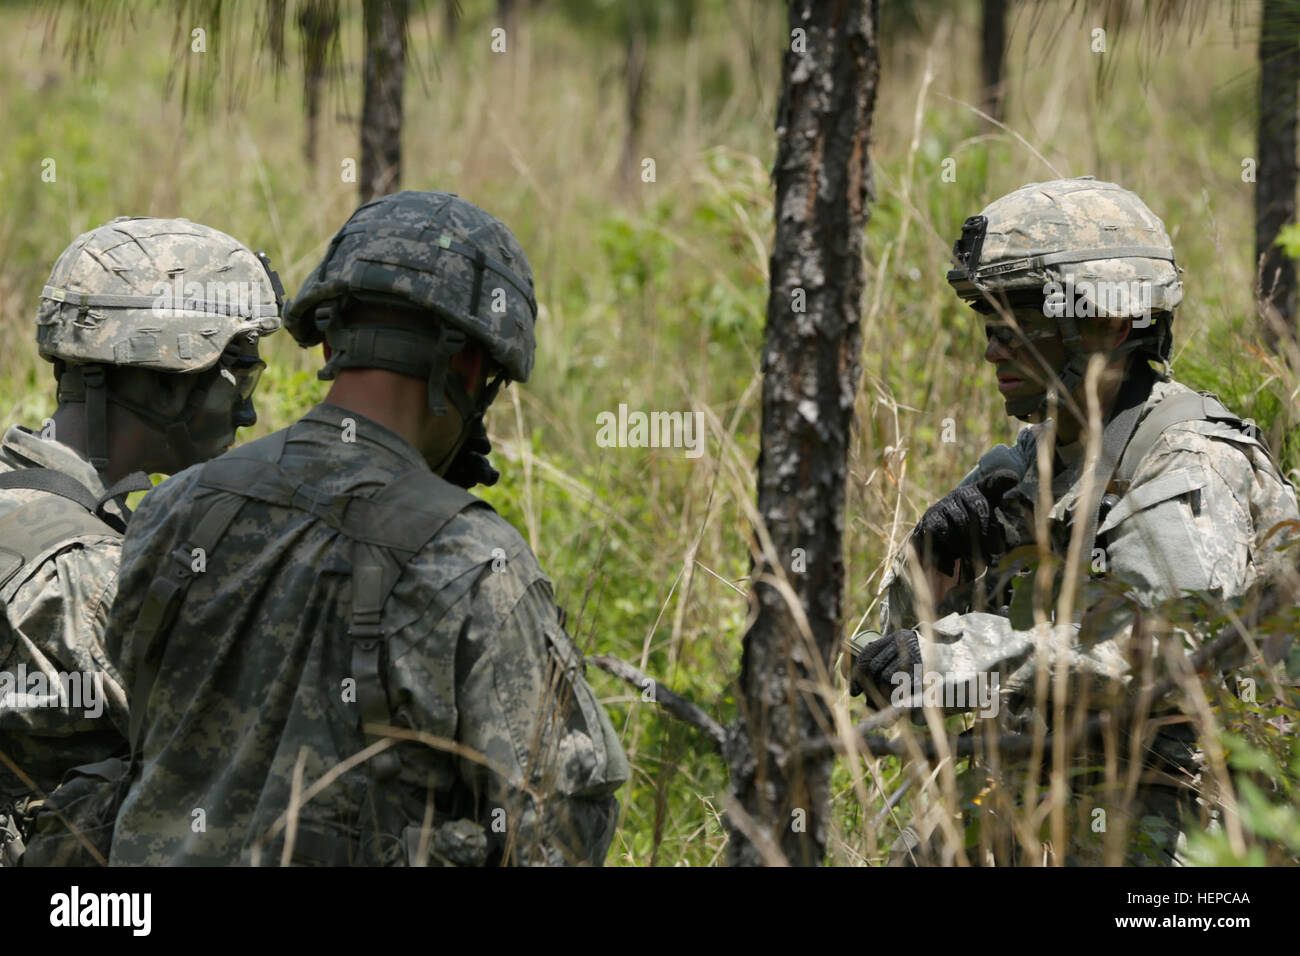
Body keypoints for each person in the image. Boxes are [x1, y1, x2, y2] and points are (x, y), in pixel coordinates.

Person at [104, 190, 629, 866]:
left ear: (329, 339)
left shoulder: (176, 510)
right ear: (470, 367)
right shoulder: (472, 562)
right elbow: (562, 831)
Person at [851, 177, 1299, 865]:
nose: (993, 348)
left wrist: (958, 650)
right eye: (988, 321)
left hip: (1184, 809)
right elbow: (899, 673)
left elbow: (1161, 656)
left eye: (1021, 320)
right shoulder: (1032, 459)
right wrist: (932, 566)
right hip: (1043, 782)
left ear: (1113, 323)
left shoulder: (1190, 462)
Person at [0, 217, 280, 865]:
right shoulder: (92, 576)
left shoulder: (26, 499)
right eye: (236, 374)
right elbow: (248, 766)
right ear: (162, 378)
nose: (247, 411)